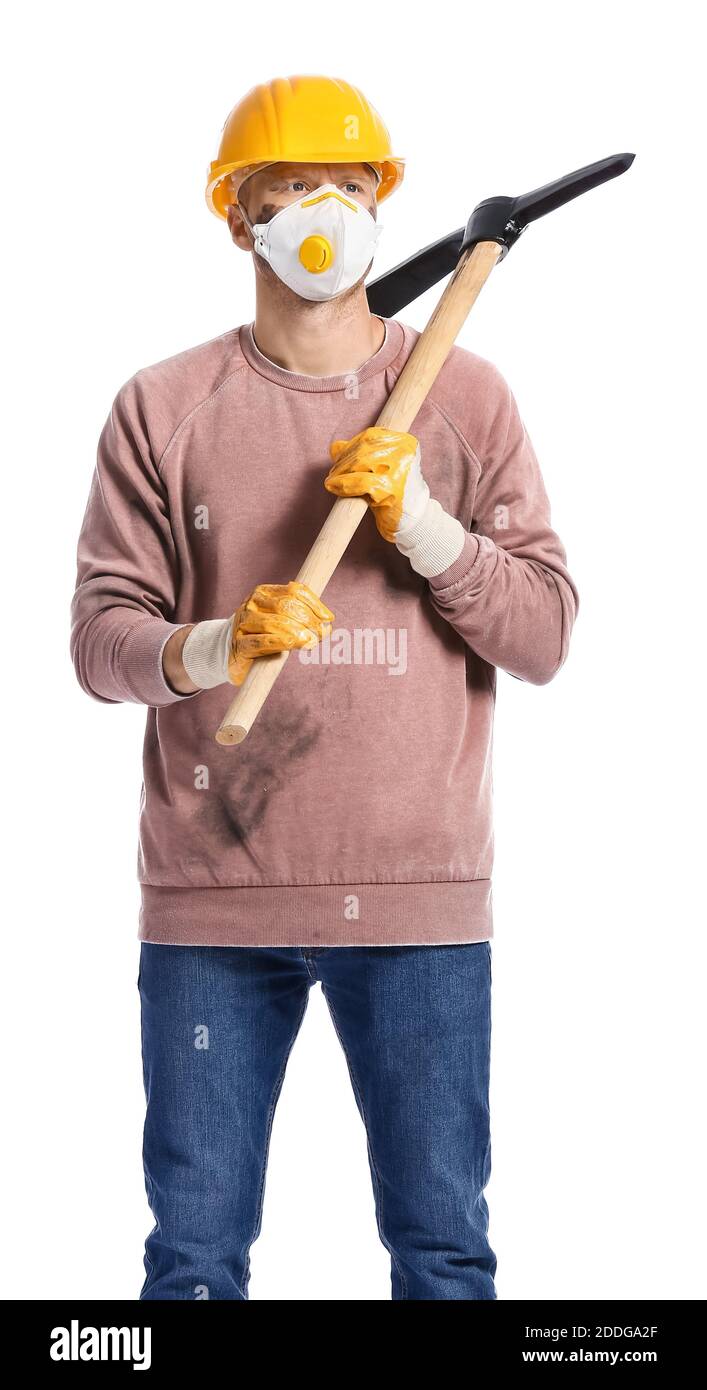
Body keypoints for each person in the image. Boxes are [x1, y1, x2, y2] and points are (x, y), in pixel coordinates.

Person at [70, 74, 578, 1301]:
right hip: (212, 904)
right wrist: (217, 646)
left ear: (380, 203)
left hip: (420, 911)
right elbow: (100, 642)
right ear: (234, 216)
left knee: (443, 1258)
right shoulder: (162, 408)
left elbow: (545, 633)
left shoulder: (464, 397)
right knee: (190, 1264)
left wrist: (425, 527)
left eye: (345, 188)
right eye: (285, 190)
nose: (317, 213)